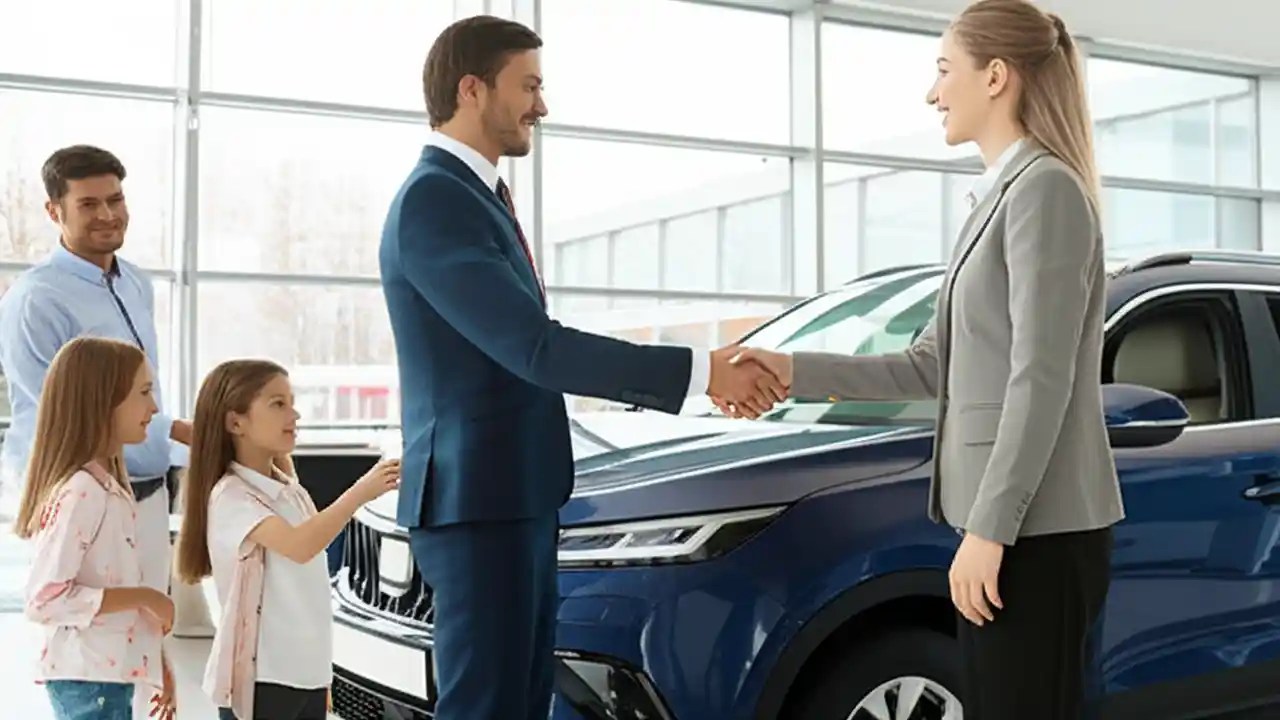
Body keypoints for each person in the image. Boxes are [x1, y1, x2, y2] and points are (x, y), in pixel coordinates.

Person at [379, 15, 785, 720]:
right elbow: (535, 347)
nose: (542, 105)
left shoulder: (475, 196)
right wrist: (702, 373)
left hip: (511, 494)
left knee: (518, 701)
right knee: (487, 705)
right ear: (472, 89)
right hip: (477, 502)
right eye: (529, 86)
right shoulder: (435, 200)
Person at [730, 1, 1120, 718]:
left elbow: (1041, 378)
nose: (932, 92)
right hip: (1008, 528)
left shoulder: (1046, 192)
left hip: (1036, 532)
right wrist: (793, 370)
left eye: (945, 70)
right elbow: (930, 365)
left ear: (996, 76)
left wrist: (991, 529)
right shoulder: (1001, 195)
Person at [0, 145, 194, 606]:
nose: (108, 214)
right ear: (54, 210)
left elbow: (138, 391)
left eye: (116, 199)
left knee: (146, 638)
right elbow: (60, 413)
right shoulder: (37, 299)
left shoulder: (136, 283)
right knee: (87, 642)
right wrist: (176, 430)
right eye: (88, 204)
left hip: (143, 489)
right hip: (76, 496)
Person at [174, 359, 400, 720]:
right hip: (263, 679)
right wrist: (362, 491)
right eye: (278, 404)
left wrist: (320, 677)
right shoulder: (232, 496)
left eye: (292, 402)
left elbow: (309, 555)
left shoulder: (287, 489)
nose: (294, 414)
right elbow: (300, 545)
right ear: (236, 422)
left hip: (303, 674)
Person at [15, 336, 177, 720]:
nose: (154, 407)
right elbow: (45, 599)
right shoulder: (83, 493)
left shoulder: (105, 488)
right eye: (143, 392)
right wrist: (145, 597)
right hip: (90, 679)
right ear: (102, 402)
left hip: (106, 674)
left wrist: (156, 665)